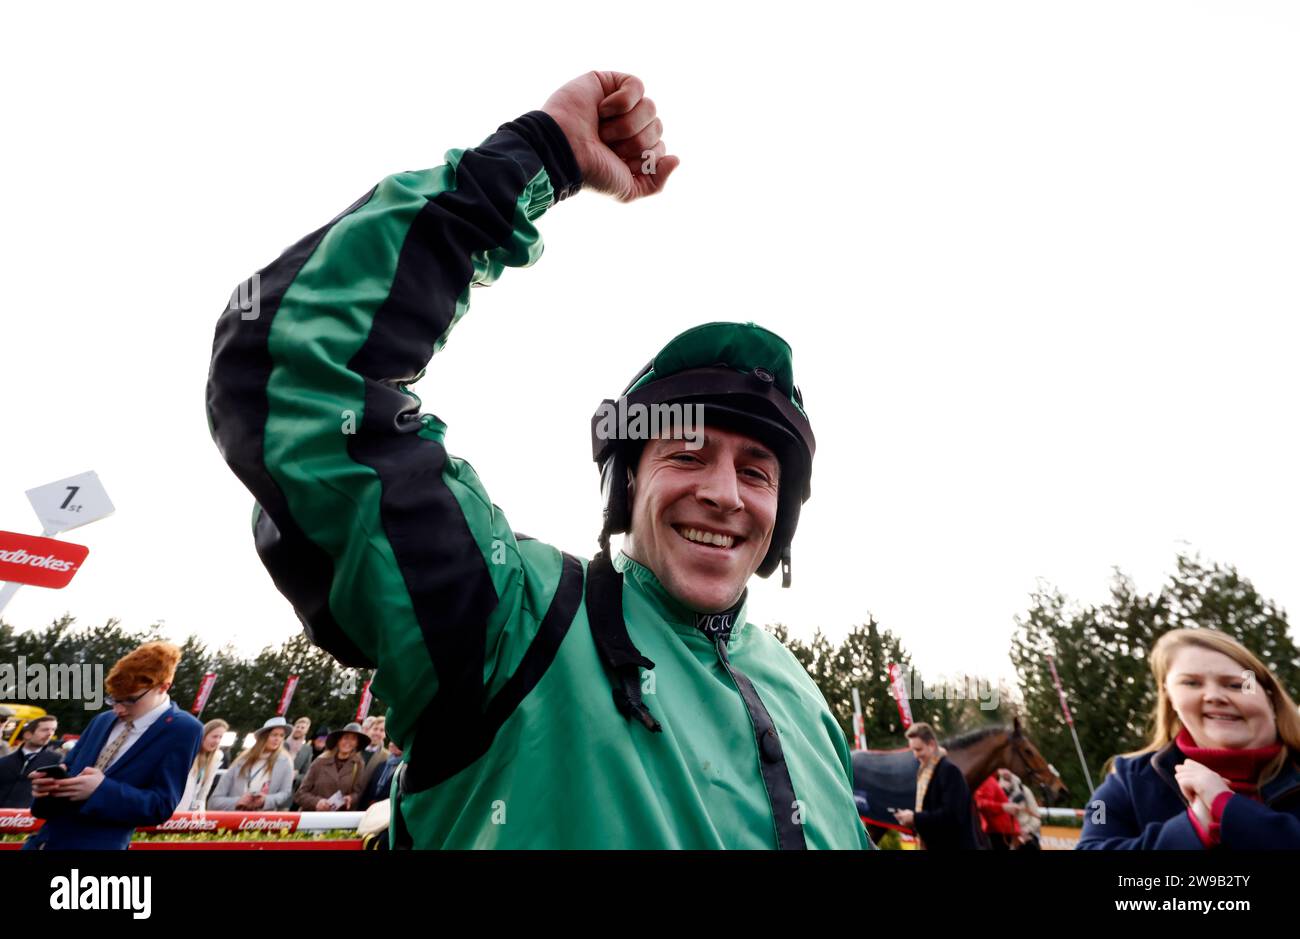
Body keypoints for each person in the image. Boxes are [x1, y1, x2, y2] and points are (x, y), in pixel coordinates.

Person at [206, 69, 869, 850]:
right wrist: (535, 158)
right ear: (628, 482)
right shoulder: (513, 622)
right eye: (688, 453)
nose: (725, 493)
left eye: (757, 471)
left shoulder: (803, 699)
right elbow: (295, 373)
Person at [1078, 628, 1300, 849]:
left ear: (1270, 696)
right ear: (1169, 697)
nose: (1214, 696)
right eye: (1191, 683)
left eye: (1236, 685)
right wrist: (1194, 827)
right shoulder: (1127, 780)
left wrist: (1225, 806)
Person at [24, 642, 203, 850]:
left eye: (129, 700)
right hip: (43, 842)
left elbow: (160, 807)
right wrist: (48, 789)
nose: (118, 709)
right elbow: (68, 772)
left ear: (163, 686)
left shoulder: (183, 729)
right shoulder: (102, 720)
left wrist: (101, 790)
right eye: (113, 699)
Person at [892, 723, 980, 850]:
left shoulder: (949, 771)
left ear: (932, 745)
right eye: (913, 750)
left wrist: (915, 818)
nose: (915, 755)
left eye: (918, 749)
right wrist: (911, 819)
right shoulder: (925, 773)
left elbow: (952, 816)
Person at [207, 716, 296, 811]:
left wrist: (265, 800)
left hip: (261, 820)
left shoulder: (285, 761)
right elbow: (215, 800)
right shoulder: (243, 760)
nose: (278, 739)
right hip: (234, 818)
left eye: (281, 735)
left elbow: (285, 793)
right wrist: (238, 801)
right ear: (264, 737)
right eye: (274, 735)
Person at [295, 723, 368, 812]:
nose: (348, 742)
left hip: (336, 820)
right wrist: (317, 802)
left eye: (353, 739)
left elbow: (358, 792)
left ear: (357, 743)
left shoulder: (358, 764)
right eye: (346, 737)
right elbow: (300, 794)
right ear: (339, 740)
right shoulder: (320, 761)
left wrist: (351, 798)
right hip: (312, 816)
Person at [0, 715, 62, 808]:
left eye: (53, 730)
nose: (50, 734)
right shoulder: (5, 760)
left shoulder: (57, 761)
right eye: (45, 730)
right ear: (27, 734)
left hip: (31, 819)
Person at [177, 718, 229, 813]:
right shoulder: (187, 753)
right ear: (203, 735)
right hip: (174, 811)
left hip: (188, 815)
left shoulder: (215, 759)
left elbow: (203, 793)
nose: (217, 741)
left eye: (220, 737)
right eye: (214, 736)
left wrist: (199, 817)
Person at [974, 770, 1020, 849]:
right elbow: (980, 803)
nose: (1007, 771)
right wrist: (1002, 807)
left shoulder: (992, 780)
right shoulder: (988, 780)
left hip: (1002, 833)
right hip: (997, 833)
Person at [999, 768, 1042, 850]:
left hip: (1025, 836)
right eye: (1002, 768)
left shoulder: (1024, 790)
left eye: (1008, 768)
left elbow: (1036, 816)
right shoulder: (995, 789)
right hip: (1005, 838)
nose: (1005, 771)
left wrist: (1027, 830)